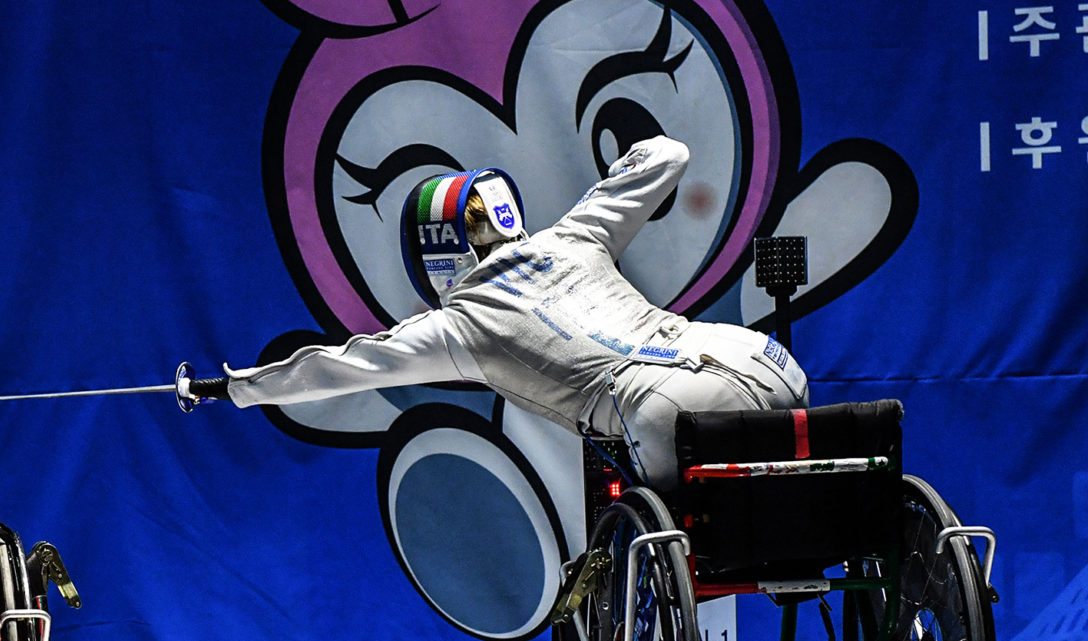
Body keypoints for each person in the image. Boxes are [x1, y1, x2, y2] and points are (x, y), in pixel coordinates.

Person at [188, 136, 808, 490]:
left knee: (664, 520)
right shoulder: (573, 236)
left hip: (671, 411)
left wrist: (231, 388)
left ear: (436, 253)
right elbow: (668, 155)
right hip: (763, 360)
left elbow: (336, 367)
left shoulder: (461, 328)